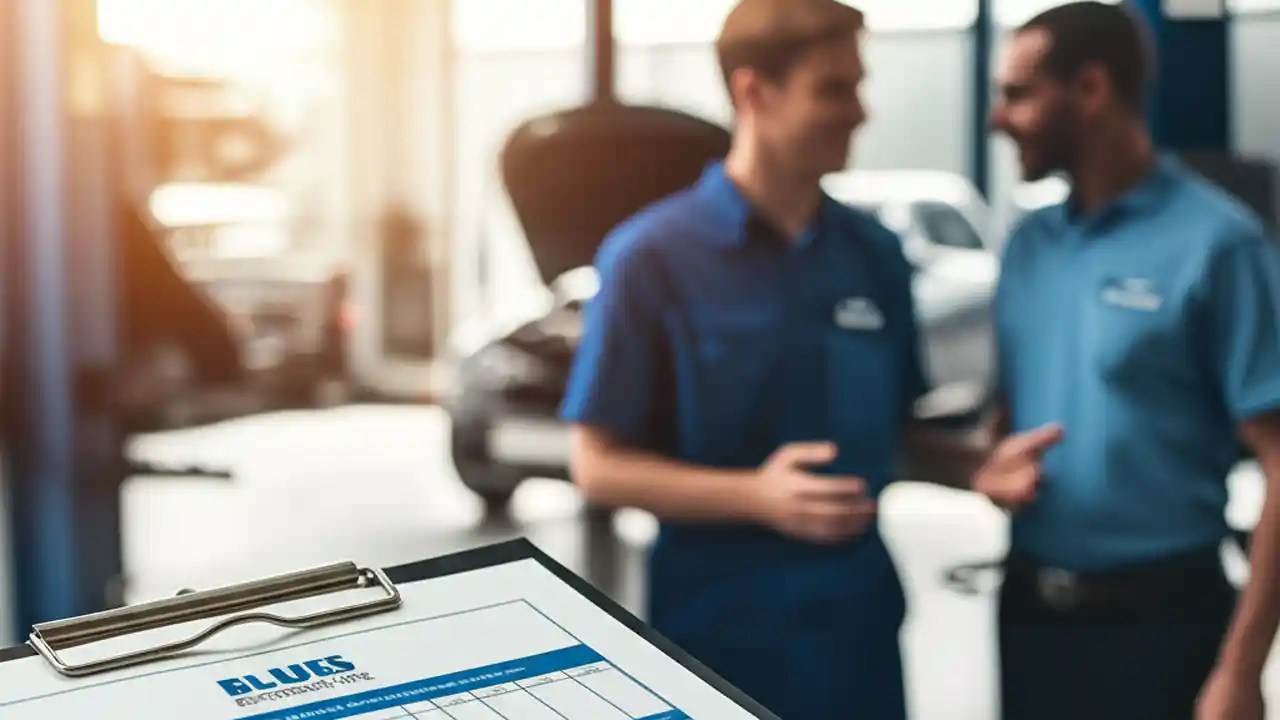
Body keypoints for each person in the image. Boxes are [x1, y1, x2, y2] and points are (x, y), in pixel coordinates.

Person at [559, 1, 938, 717]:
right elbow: (597, 464)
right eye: (834, 88)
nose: (860, 111)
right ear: (753, 92)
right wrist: (755, 496)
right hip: (720, 646)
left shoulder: (874, 256)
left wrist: (980, 467)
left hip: (860, 643)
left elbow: (903, 437)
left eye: (859, 85)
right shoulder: (652, 259)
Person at [980, 3, 1280, 718]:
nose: (998, 118)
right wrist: (986, 468)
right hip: (1030, 624)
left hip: (1166, 630)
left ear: (1090, 89)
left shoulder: (1220, 244)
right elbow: (1004, 430)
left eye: (1018, 93)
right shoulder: (1028, 247)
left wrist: (1241, 670)